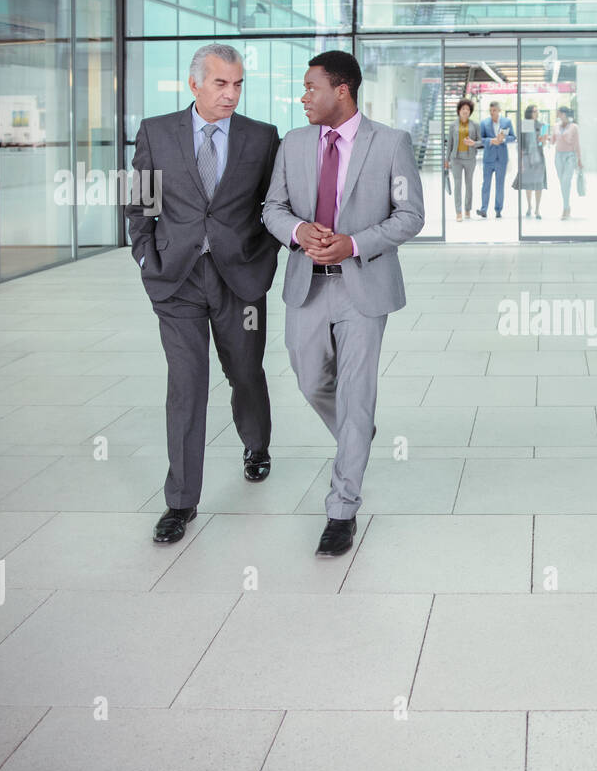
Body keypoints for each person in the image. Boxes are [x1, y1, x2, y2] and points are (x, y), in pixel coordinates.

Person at [262, 50, 425, 557]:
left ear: (343, 90)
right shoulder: (293, 143)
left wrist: (352, 243)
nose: (304, 96)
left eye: (312, 87)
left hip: (363, 287)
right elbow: (272, 208)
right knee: (311, 380)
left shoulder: (391, 144)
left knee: (356, 392)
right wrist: (298, 231)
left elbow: (410, 215)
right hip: (306, 285)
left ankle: (342, 509)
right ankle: (358, 432)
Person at [126, 43, 281, 545]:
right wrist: (147, 255)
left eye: (238, 84)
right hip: (177, 279)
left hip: (239, 279)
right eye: (221, 83)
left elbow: (274, 205)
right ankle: (180, 502)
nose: (231, 94)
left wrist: (265, 256)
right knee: (186, 386)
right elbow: (141, 204)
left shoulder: (262, 138)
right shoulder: (156, 132)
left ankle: (256, 445)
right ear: (194, 83)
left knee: (244, 371)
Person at [477, 101, 513, 218]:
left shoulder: (506, 122)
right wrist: (491, 140)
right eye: (490, 111)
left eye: (494, 110)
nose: (492, 113)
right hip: (488, 158)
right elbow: (480, 139)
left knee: (499, 185)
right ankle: (483, 209)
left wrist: (503, 140)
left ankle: (498, 210)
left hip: (501, 158)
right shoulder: (484, 123)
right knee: (486, 184)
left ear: (499, 110)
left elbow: (513, 137)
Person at [444, 98, 479, 221]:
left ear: (470, 111)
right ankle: (458, 212)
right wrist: (446, 159)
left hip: (470, 159)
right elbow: (449, 144)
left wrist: (472, 143)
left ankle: (467, 209)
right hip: (456, 159)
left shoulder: (475, 125)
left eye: (468, 109)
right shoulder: (453, 125)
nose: (465, 111)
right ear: (459, 110)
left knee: (469, 184)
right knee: (457, 185)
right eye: (463, 108)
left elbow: (480, 142)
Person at [515, 104, 549, 219]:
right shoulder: (526, 124)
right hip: (527, 158)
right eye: (534, 111)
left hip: (539, 158)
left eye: (537, 111)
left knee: (539, 184)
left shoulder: (542, 125)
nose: (537, 113)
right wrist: (520, 161)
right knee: (529, 184)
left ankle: (537, 209)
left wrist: (542, 140)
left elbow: (543, 144)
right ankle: (529, 206)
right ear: (529, 113)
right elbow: (521, 144)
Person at [552, 106, 581, 219]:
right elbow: (553, 141)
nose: (558, 115)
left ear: (564, 114)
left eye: (559, 113)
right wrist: (545, 138)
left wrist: (580, 159)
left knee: (565, 181)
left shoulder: (574, 127)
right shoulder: (555, 126)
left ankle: (566, 207)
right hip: (558, 156)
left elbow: (577, 143)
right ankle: (566, 206)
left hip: (570, 156)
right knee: (563, 183)